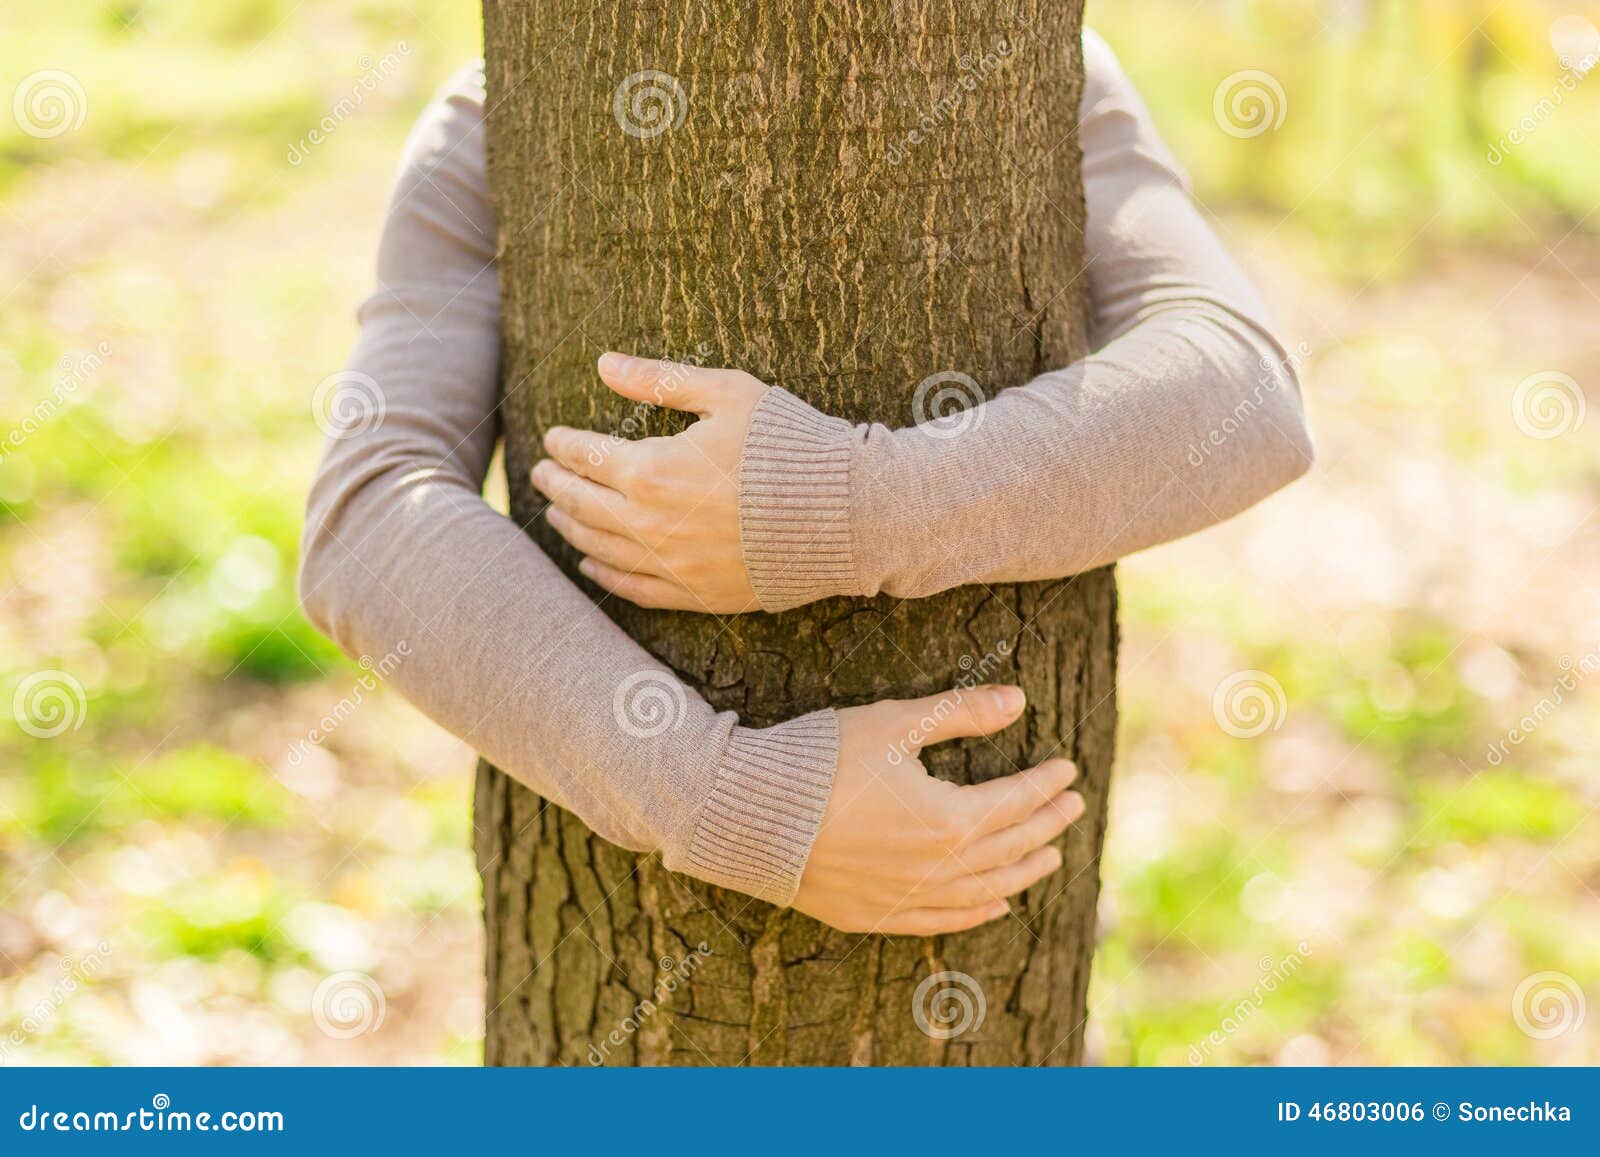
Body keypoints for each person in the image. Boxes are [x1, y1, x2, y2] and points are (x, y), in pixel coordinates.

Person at [299, 30, 1313, 938]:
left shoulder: (1035, 63)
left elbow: (1243, 392)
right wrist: (728, 798)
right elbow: (367, 515)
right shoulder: (503, 105)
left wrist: (839, 507)